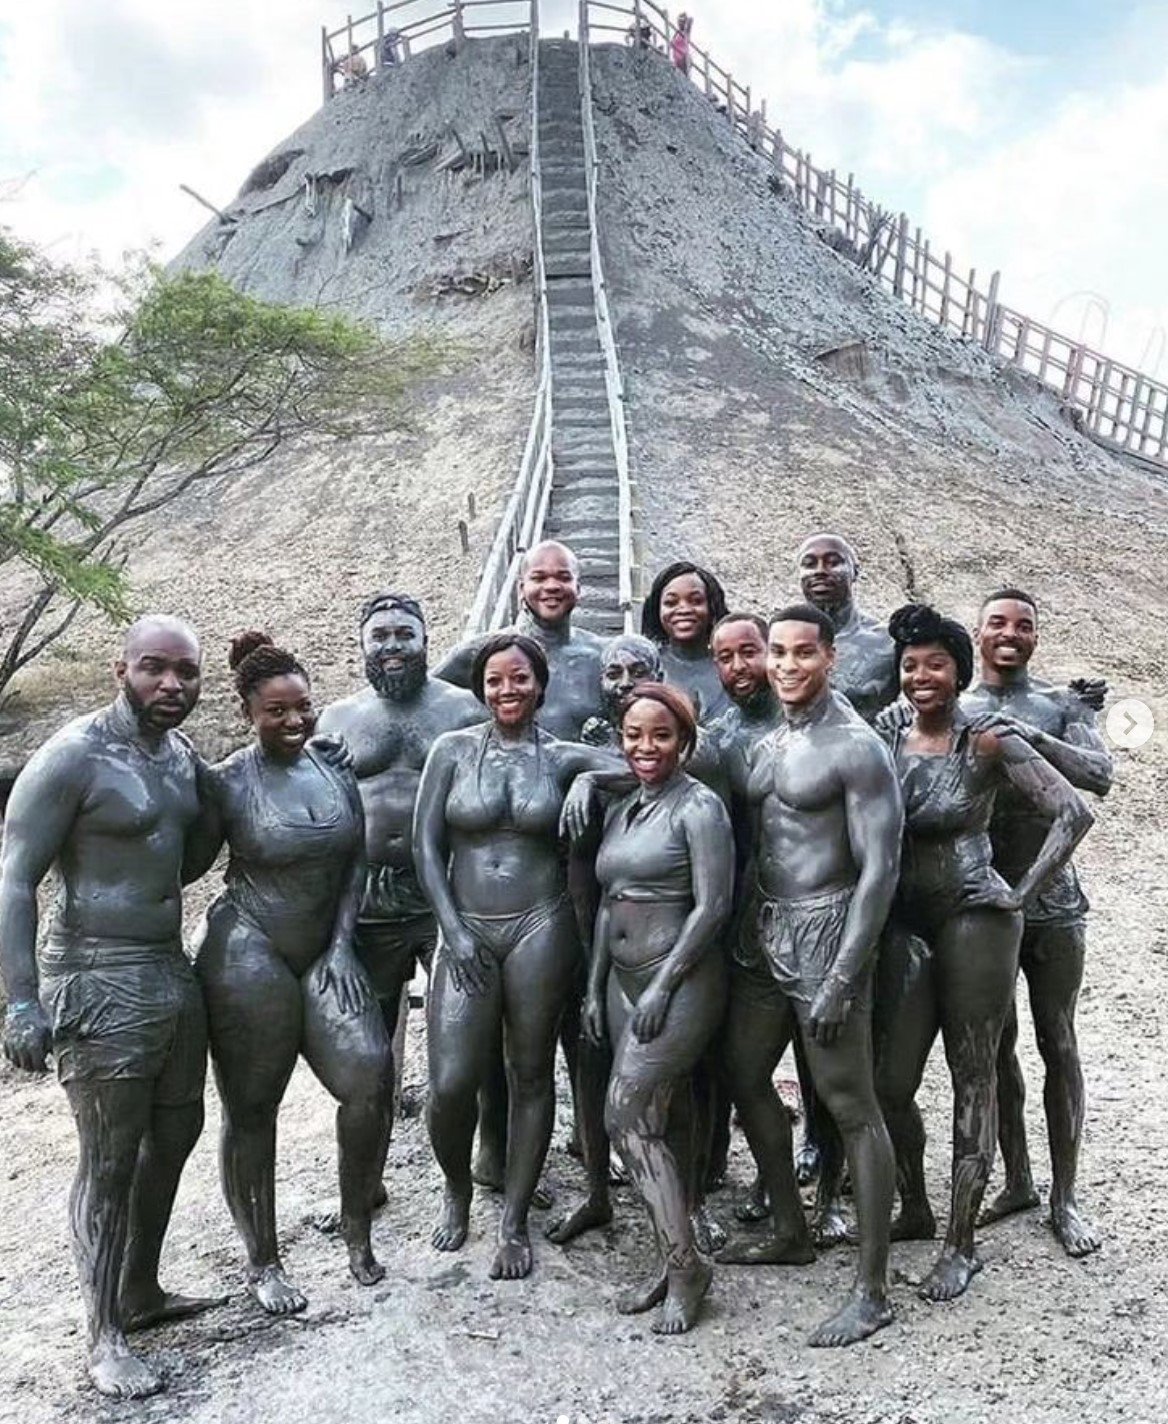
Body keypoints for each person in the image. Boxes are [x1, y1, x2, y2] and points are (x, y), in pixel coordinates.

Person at [0, 616, 221, 1400]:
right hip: (94, 970)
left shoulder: (180, 758)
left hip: (167, 963)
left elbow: (191, 855)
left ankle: (140, 1289)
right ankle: (103, 1337)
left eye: (186, 673)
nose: (172, 686)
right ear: (119, 670)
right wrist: (21, 1000)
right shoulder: (73, 757)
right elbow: (14, 877)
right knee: (109, 1157)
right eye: (155, 670)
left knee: (180, 1125)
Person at [873, 604, 1093, 1301]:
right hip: (908, 922)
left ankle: (962, 1246)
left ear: (959, 672)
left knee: (975, 1076)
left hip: (975, 914)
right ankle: (916, 1205)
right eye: (910, 666)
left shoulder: (988, 738)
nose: (920, 677)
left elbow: (1073, 810)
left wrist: (1023, 893)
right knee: (891, 1084)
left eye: (934, 664)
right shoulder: (890, 737)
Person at [189, 633, 394, 1314]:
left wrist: (340, 947)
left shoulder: (334, 767)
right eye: (277, 711)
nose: (295, 721)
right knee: (253, 1108)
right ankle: (264, 1260)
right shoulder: (226, 781)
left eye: (303, 707)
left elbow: (356, 863)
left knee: (367, 1077)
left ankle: (358, 1233)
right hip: (250, 947)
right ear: (249, 711)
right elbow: (185, 862)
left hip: (323, 949)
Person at [717, 604, 902, 1348]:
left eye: (802, 653)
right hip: (764, 931)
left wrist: (843, 975)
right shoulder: (767, 740)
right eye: (778, 654)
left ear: (829, 658)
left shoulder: (854, 748)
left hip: (828, 930)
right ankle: (791, 1227)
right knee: (741, 1069)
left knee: (851, 1103)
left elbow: (880, 870)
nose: (786, 666)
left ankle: (873, 1289)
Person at [413, 633, 623, 1281]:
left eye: (520, 680)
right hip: (468, 925)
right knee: (450, 1084)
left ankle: (512, 1220)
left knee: (531, 1070)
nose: (508, 691)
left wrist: (591, 774)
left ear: (540, 685)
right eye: (496, 681)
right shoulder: (450, 752)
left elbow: (652, 761)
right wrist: (453, 927)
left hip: (542, 922)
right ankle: (457, 1190)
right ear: (481, 688)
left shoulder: (560, 758)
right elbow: (423, 846)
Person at [962, 589, 1112, 1256]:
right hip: (988, 896)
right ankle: (1017, 1179)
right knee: (995, 1045)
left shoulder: (1061, 704)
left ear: (1036, 638)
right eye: (998, 622)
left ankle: (1065, 1196)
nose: (1010, 634)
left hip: (1053, 901)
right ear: (978, 630)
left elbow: (1099, 777)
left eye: (1024, 626)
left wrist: (1043, 734)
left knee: (1059, 1039)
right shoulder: (957, 706)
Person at [581, 684, 733, 1333]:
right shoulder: (627, 808)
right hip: (618, 983)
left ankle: (687, 1268)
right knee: (656, 1126)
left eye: (661, 736)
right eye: (635, 736)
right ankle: (674, 1258)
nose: (646, 748)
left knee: (626, 1119)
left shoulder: (700, 808)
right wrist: (592, 987)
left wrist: (665, 984)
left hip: (680, 981)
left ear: (685, 742)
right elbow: (609, 903)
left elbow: (713, 907)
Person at [316, 594, 483, 1168]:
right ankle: (370, 1170)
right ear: (362, 645)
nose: (392, 647)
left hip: (448, 894)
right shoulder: (337, 718)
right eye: (380, 636)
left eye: (403, 635)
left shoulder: (463, 709)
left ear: (425, 639)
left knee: (465, 1038)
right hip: (369, 900)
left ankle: (481, 1160)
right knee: (371, 1044)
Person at [435, 540, 606, 742]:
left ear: (578, 588)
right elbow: (424, 701)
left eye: (563, 577)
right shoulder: (477, 654)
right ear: (521, 588)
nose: (551, 586)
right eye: (539, 578)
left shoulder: (604, 658)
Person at [797, 533, 898, 723]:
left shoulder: (888, 643)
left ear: (855, 572)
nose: (820, 571)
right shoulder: (778, 646)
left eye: (833, 562)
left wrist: (903, 709)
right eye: (809, 564)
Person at [640, 560, 731, 723]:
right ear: (657, 610)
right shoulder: (646, 669)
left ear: (712, 607)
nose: (683, 609)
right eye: (671, 603)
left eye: (696, 601)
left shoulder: (733, 667)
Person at [580, 633, 665, 747]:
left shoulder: (676, 730)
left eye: (638, 673)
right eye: (613, 675)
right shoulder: (598, 732)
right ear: (602, 680)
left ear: (659, 679)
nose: (625, 683)